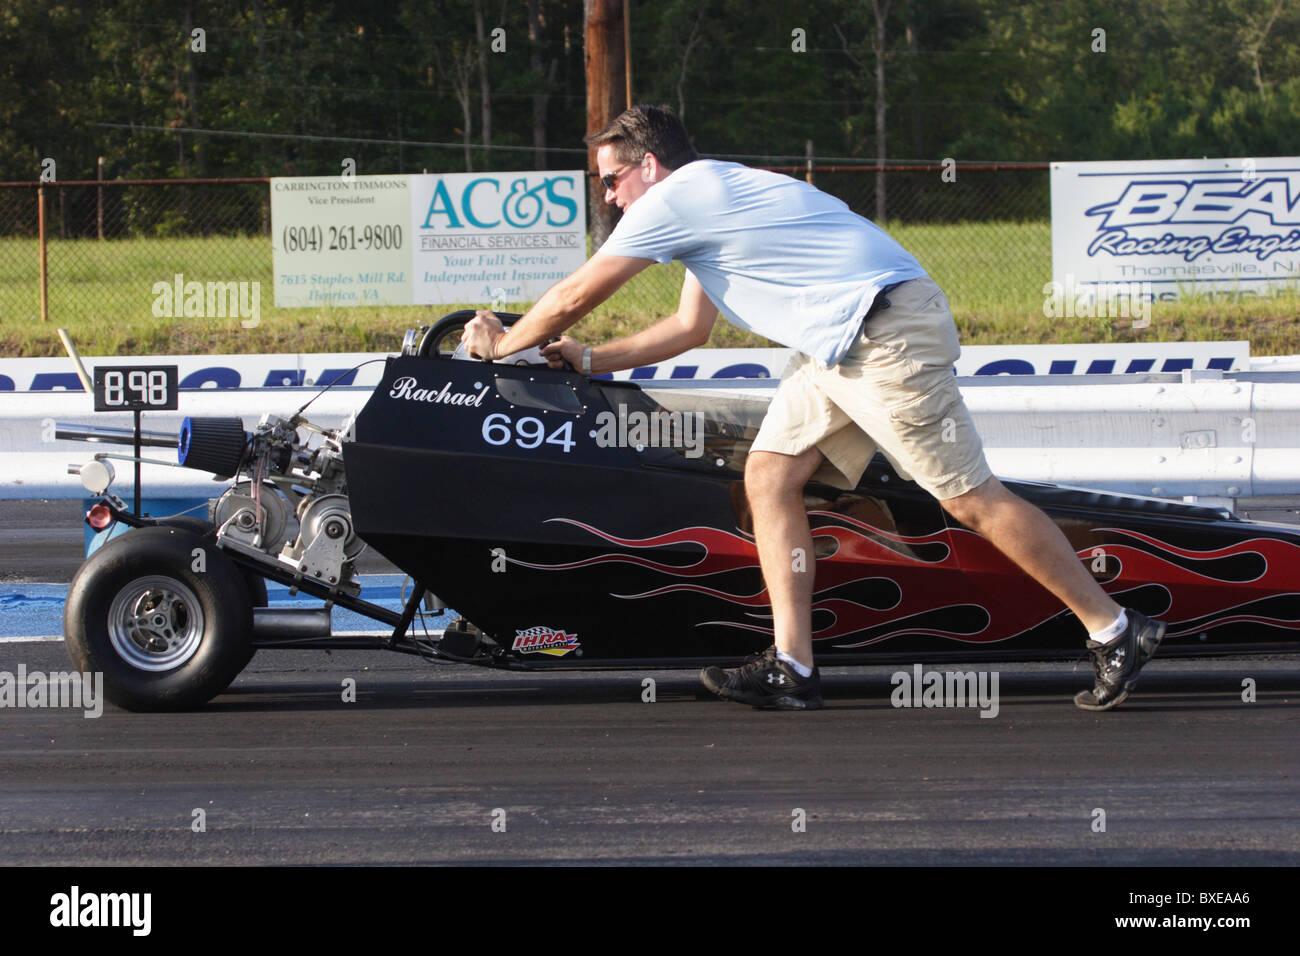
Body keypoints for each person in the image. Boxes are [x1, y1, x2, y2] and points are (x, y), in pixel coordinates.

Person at [463, 105, 1164, 712]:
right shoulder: (718, 197)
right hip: (839, 341)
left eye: (611, 181)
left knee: (970, 499)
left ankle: (1112, 628)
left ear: (648, 167)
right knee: (769, 475)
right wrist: (586, 360)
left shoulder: (679, 198)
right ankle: (792, 668)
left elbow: (573, 296)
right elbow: (687, 331)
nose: (610, 198)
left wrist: (503, 345)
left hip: (880, 335)